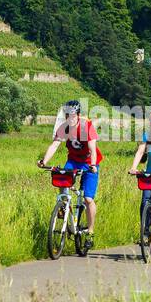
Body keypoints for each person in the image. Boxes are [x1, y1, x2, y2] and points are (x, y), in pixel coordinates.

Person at [38, 99, 102, 239]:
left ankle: (90, 232)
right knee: (62, 180)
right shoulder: (64, 127)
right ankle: (65, 208)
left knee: (88, 199)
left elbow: (92, 149)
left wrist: (92, 165)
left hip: (89, 163)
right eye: (67, 115)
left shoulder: (86, 126)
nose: (70, 118)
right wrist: (44, 161)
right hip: (73, 161)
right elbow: (55, 145)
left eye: (72, 115)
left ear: (78, 115)